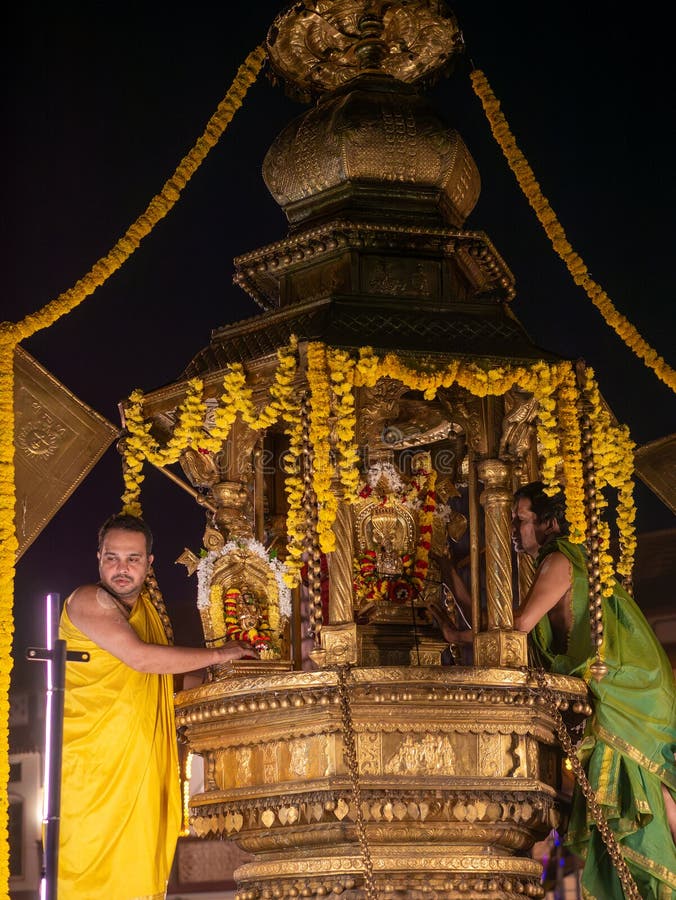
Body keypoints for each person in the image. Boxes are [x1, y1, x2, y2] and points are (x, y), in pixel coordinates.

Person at [429, 481, 676, 899]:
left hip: (624, 690)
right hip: (616, 689)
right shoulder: (555, 561)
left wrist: (458, 634)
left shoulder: (561, 560)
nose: (513, 529)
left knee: (633, 790)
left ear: (551, 522)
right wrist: (453, 581)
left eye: (521, 519)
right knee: (629, 795)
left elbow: (515, 630)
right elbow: (506, 636)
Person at [58, 513, 256, 900]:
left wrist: (238, 676)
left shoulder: (146, 612)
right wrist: (218, 654)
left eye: (133, 559)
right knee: (91, 874)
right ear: (98, 557)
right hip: (95, 772)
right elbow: (143, 660)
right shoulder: (88, 601)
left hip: (141, 766)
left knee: (139, 876)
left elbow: (172, 679)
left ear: (149, 563)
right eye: (112, 557)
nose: (121, 569)